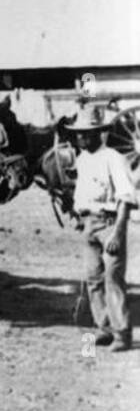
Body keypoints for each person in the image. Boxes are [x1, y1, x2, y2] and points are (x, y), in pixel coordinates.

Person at [70, 104, 136, 352]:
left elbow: (126, 199)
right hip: (88, 224)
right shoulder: (82, 159)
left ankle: (122, 333)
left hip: (108, 225)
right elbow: (82, 194)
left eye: (86, 133)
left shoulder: (114, 159)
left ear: (99, 133)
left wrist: (118, 232)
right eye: (78, 133)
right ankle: (104, 327)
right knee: (93, 278)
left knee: (113, 279)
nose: (81, 137)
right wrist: (79, 216)